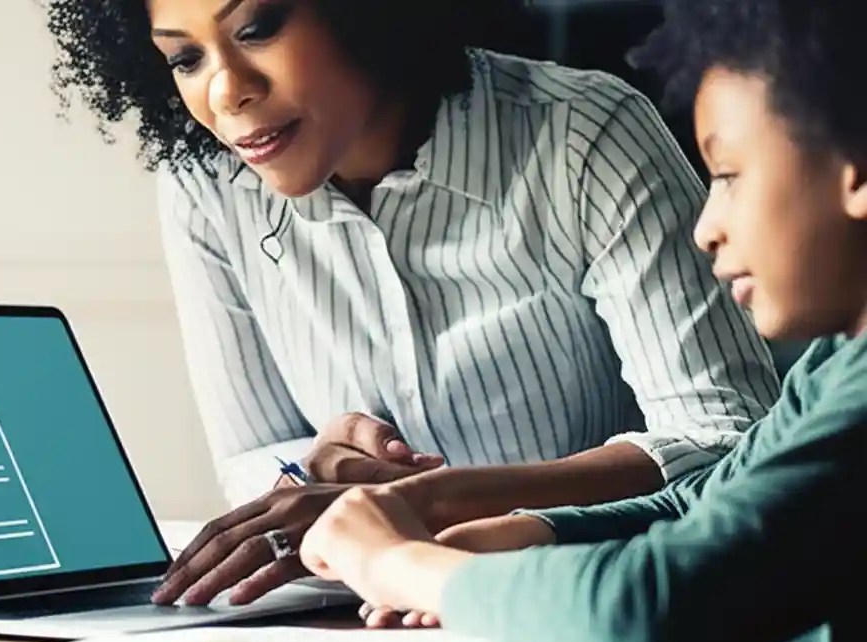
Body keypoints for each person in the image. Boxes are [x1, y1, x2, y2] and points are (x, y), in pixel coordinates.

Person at [43, 0, 779, 607]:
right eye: (185, 58)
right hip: (358, 633)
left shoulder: (582, 136)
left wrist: (435, 502)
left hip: (599, 609)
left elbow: (729, 441)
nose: (226, 91)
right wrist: (313, 468)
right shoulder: (203, 186)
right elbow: (245, 463)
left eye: (259, 28)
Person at [300, 0, 867, 642]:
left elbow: (643, 612)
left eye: (727, 176)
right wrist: (538, 530)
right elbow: (717, 495)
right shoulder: (834, 362)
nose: (706, 228)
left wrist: (402, 565)